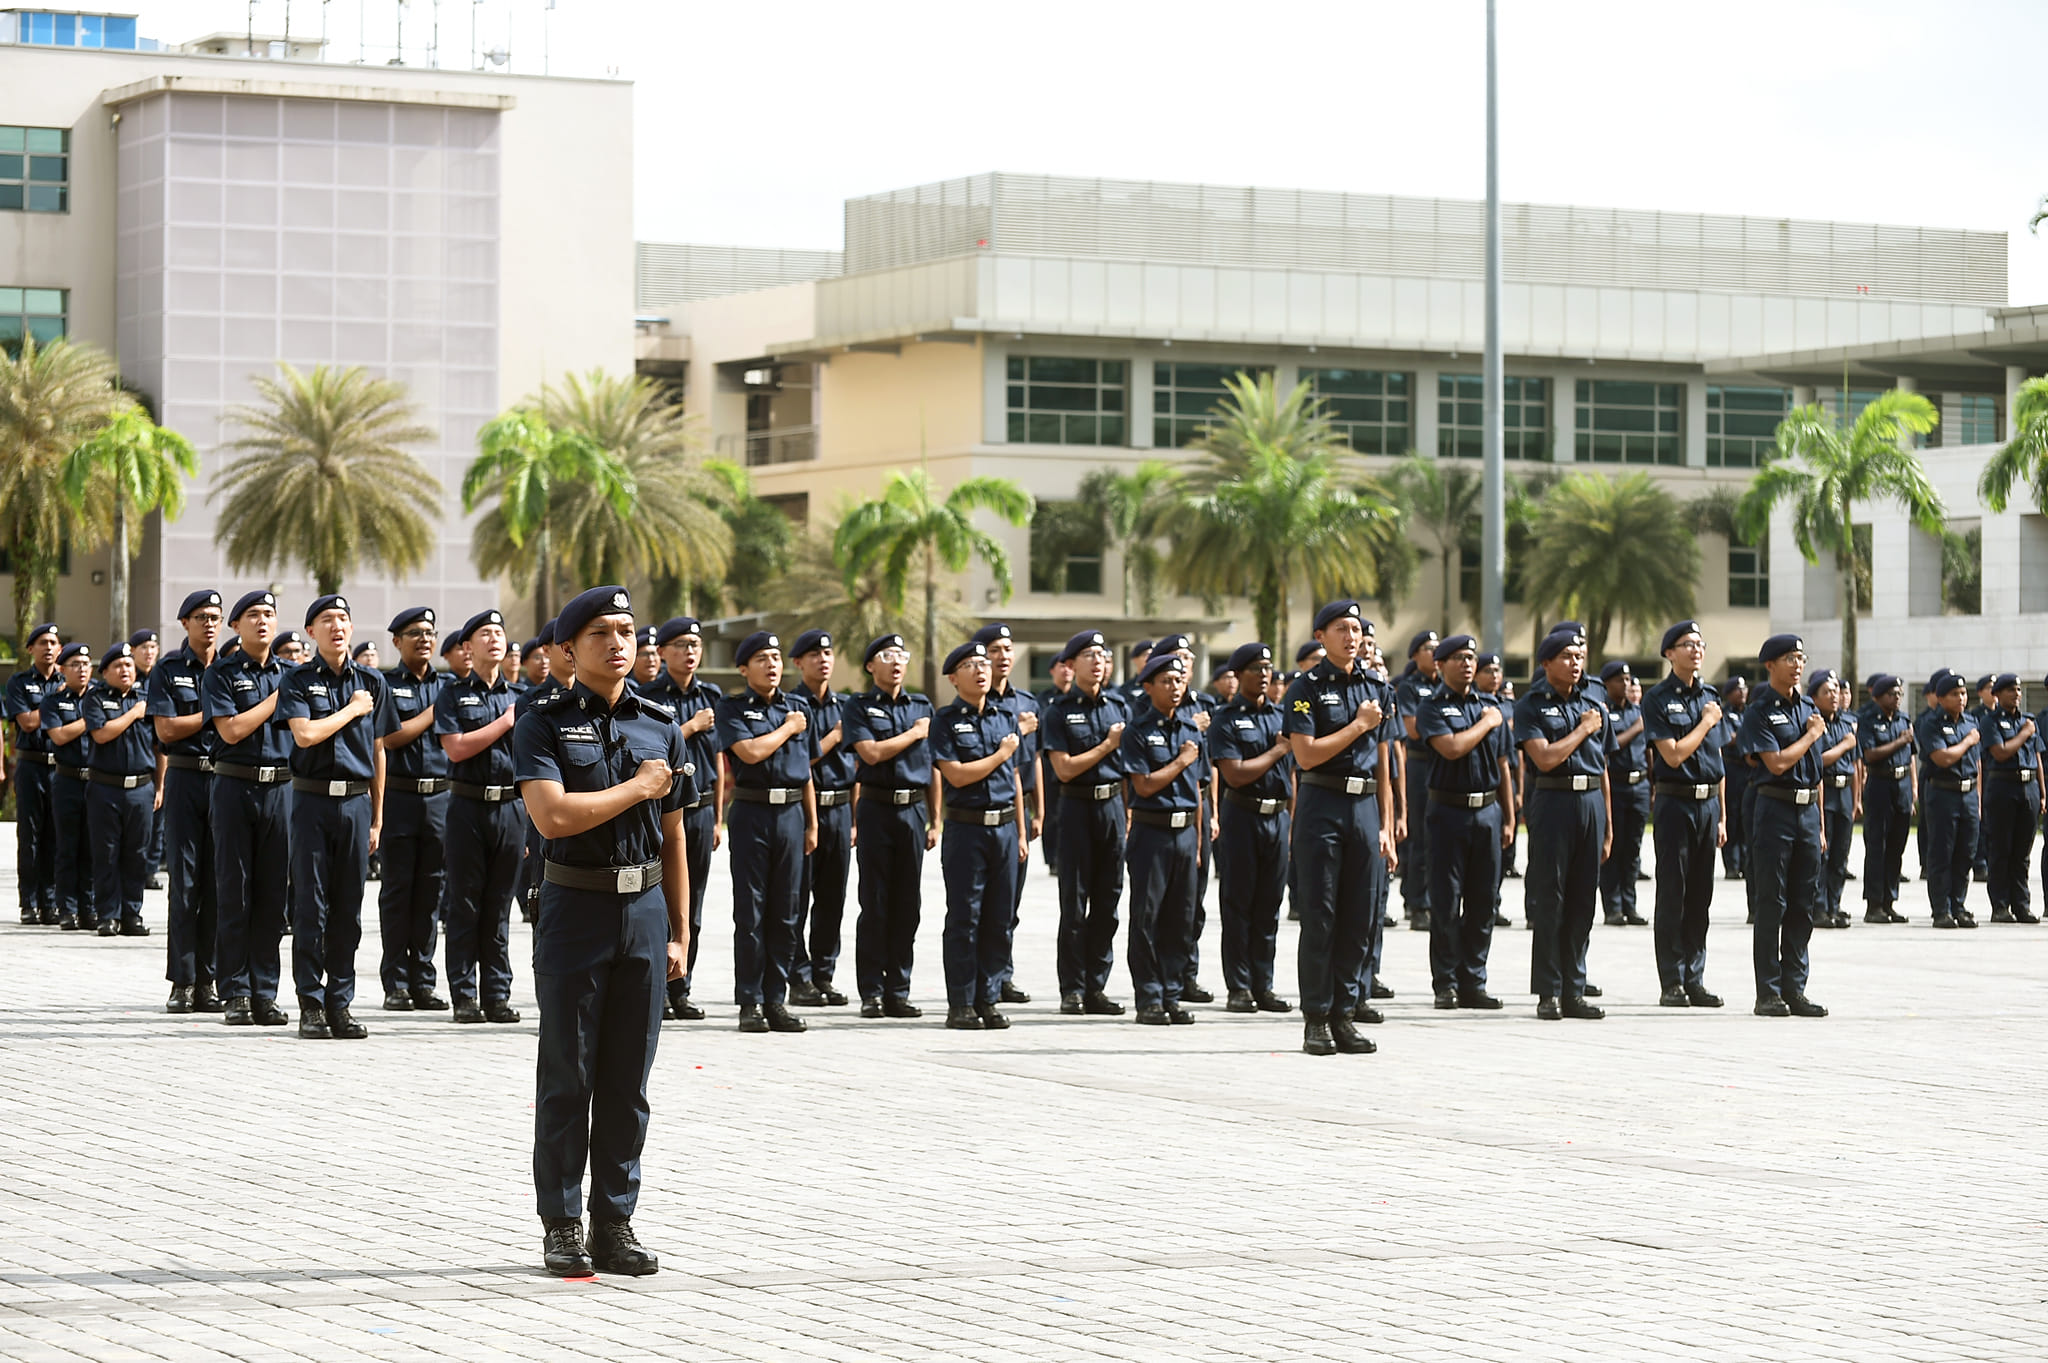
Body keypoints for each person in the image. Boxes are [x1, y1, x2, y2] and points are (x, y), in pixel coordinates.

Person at [516, 585, 694, 1279]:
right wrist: (638, 788)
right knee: (569, 1071)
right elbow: (552, 816)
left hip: (644, 912)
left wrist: (680, 931)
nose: (618, 643)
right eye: (600, 632)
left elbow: (674, 835)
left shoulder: (661, 725)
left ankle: (614, 1220)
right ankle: (562, 1222)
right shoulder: (542, 722)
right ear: (567, 649)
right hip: (575, 907)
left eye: (626, 630)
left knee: (628, 1078)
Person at [1281, 601, 1394, 1057]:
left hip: (1364, 806)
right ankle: (1316, 1018)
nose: (1351, 637)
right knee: (1321, 916)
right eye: (1342, 629)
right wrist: (1358, 725)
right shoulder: (1305, 688)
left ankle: (1345, 1015)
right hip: (1322, 803)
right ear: (1321, 636)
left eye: (1357, 629)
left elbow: (1384, 761)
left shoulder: (1377, 688)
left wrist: (1386, 824)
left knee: (1358, 917)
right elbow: (1306, 754)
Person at [276, 595, 386, 1041]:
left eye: (343, 618)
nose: (337, 626)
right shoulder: (297, 680)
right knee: (310, 906)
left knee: (348, 909)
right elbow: (305, 735)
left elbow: (378, 750)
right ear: (311, 632)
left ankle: (340, 1003)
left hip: (356, 804)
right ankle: (310, 1003)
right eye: (327, 620)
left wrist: (378, 817)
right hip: (312, 801)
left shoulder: (372, 681)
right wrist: (352, 710)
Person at [715, 631, 817, 1032]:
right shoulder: (732, 708)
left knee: (787, 912)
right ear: (744, 669)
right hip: (752, 813)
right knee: (751, 912)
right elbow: (750, 752)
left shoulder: (797, 707)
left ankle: (776, 1000)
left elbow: (805, 772)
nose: (771, 664)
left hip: (791, 813)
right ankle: (750, 1002)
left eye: (775, 657)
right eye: (761, 659)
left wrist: (812, 823)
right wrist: (789, 729)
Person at [203, 591, 294, 1027]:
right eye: (253, 614)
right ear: (236, 626)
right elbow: (233, 730)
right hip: (235, 787)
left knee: (273, 896)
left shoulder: (294, 674)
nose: (263, 621)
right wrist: (278, 699)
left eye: (269, 614)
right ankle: (235, 991)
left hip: (282, 790)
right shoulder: (220, 674)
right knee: (235, 892)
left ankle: (265, 992)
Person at [1514, 628, 1610, 1022]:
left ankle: (1574, 989)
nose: (1575, 663)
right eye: (1567, 656)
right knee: (1551, 899)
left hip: (1591, 802)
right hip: (1553, 800)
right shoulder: (1531, 705)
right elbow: (1545, 758)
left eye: (1579, 656)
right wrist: (1583, 729)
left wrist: (1608, 823)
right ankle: (1548, 991)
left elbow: (1603, 766)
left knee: (1583, 900)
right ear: (1546, 662)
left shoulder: (1594, 701)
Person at [436, 608, 525, 1024]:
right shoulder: (452, 694)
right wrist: (504, 723)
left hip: (510, 807)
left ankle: (497, 994)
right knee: (465, 903)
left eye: (498, 633)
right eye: (485, 634)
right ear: (468, 647)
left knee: (500, 905)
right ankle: (465, 996)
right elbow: (456, 749)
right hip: (467, 806)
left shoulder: (522, 697)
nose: (494, 640)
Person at [1417, 633, 1515, 1010]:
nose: (1467, 664)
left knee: (1483, 900)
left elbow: (1503, 766)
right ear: (1441, 665)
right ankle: (1446, 983)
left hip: (1487, 811)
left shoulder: (1490, 705)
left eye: (1471, 657)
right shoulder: (1432, 707)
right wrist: (1487, 724)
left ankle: (1474, 980)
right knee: (1446, 901)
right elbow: (1452, 748)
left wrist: (1509, 817)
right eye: (1458, 658)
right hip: (1448, 812)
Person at [931, 640, 1025, 1029]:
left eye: (984, 664)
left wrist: (1021, 832)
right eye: (971, 665)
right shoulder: (945, 721)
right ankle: (961, 1003)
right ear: (954, 678)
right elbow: (955, 775)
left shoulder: (1006, 718)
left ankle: (988, 998)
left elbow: (1015, 779)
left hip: (1004, 828)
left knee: (999, 918)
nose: (981, 670)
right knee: (965, 917)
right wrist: (1000, 754)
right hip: (966, 828)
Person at [844, 633, 937, 1019]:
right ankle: (872, 991)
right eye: (887, 655)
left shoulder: (922, 705)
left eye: (901, 655)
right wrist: (914, 733)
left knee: (907, 904)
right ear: (870, 666)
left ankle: (899, 989)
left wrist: (935, 819)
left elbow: (933, 766)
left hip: (913, 810)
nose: (897, 661)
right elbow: (870, 753)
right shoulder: (859, 706)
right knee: (875, 902)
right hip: (877, 809)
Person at [1738, 634, 1830, 1017]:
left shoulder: (1808, 707)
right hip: (1774, 809)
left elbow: (1816, 772)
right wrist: (1811, 734)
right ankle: (1768, 992)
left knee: (1802, 904)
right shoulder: (1759, 711)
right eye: (1789, 658)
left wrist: (1820, 825)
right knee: (1771, 903)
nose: (1797, 665)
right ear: (1770, 665)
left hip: (1807, 812)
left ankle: (1795, 988)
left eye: (1801, 658)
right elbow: (1775, 764)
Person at [1641, 620, 1729, 1008]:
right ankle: (1672, 981)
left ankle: (1695, 978)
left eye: (1700, 644)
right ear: (1669, 653)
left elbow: (1717, 760)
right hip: (1675, 804)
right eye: (1687, 644)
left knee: (1700, 896)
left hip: (1708, 804)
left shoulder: (1710, 695)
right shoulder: (1657, 699)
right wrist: (1706, 721)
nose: (1696, 650)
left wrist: (1723, 816)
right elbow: (1674, 755)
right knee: (1673, 893)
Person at [640, 616, 722, 1020]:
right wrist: (689, 727)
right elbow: (655, 748)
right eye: (681, 645)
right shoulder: (647, 697)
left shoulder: (712, 695)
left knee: (693, 905)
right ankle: (655, 989)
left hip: (701, 809)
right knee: (659, 900)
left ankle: (681, 990)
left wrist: (719, 816)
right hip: (663, 812)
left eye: (695, 645)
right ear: (662, 653)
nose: (690, 652)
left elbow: (718, 759)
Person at [1043, 630, 1128, 1016]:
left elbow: (1128, 770)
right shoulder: (1058, 712)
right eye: (1088, 655)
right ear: (1070, 665)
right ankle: (1073, 988)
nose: (1097, 662)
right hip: (1076, 808)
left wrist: (1127, 812)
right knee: (1075, 904)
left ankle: (1097, 986)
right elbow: (1063, 769)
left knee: (1108, 903)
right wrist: (1107, 745)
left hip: (1112, 808)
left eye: (1102, 655)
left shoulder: (1119, 708)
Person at [1118, 653, 1205, 1026]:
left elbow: (1197, 790)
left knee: (1181, 918)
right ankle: (1149, 997)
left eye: (1179, 681)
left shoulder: (1191, 730)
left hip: (1185, 832)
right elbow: (1144, 785)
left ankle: (1171, 993)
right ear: (1148, 686)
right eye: (1166, 681)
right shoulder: (1137, 731)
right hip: (1151, 832)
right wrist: (1181, 761)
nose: (1175, 687)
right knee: (1147, 917)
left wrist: (1197, 842)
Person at [149, 591, 224, 1011]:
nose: (209, 624)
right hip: (185, 777)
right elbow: (166, 730)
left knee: (217, 884)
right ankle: (182, 980)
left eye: (215, 617)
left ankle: (208, 980)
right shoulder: (169, 669)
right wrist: (215, 713)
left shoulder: (231, 668)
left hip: (226, 781)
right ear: (184, 623)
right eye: (201, 617)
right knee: (185, 883)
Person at [1210, 642, 1293, 1014]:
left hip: (1278, 817)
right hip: (1242, 816)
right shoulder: (1226, 719)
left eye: (1268, 668)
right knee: (1239, 904)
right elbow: (1235, 774)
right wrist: (1277, 751)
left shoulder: (1281, 717)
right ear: (1239, 674)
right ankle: (1239, 986)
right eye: (1256, 669)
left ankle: (1264, 984)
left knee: (1269, 905)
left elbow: (1293, 774)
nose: (1264, 675)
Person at [377, 606, 451, 1012]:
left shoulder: (449, 685)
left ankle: (423, 980)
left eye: (429, 633)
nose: (424, 639)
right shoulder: (386, 685)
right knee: (397, 891)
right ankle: (396, 983)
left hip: (439, 798)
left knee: (430, 892)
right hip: (401, 797)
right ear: (397, 641)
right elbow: (390, 738)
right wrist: (433, 713)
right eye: (415, 633)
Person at [786, 628, 853, 1009]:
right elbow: (801, 759)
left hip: (841, 808)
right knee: (797, 898)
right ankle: (799, 977)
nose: (823, 660)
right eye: (814, 655)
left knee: (833, 898)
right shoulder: (793, 706)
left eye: (827, 654)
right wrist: (833, 737)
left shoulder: (845, 706)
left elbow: (855, 765)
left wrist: (854, 818)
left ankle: (824, 974)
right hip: (803, 810)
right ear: (799, 663)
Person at [977, 622, 1041, 1005]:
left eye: (1007, 648)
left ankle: (1003, 974)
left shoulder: (1027, 702)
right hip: (984, 809)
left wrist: (1038, 813)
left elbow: (1033, 763)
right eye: (994, 650)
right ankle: (981, 977)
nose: (1003, 656)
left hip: (1018, 808)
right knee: (980, 905)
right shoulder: (977, 702)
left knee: (1008, 903)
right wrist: (1016, 729)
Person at [83, 641, 155, 938]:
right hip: (105, 787)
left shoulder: (147, 698)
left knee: (137, 854)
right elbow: (101, 734)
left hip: (141, 787)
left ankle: (131, 914)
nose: (125, 670)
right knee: (106, 853)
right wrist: (133, 714)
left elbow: (159, 746)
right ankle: (107, 915)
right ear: (105, 672)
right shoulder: (95, 698)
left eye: (128, 665)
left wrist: (161, 786)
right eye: (118, 666)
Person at [6, 622, 63, 925]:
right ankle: (28, 902)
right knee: (30, 836)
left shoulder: (67, 681)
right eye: (43, 643)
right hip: (31, 765)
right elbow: (27, 722)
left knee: (55, 835)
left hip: (60, 768)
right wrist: (56, 702)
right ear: (31, 649)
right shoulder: (19, 682)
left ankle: (49, 903)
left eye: (53, 642)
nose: (49, 648)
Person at [1917, 671, 1982, 930]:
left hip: (1968, 794)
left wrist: (1978, 798)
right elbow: (1942, 758)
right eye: (1955, 694)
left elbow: (1977, 764)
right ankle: (1941, 909)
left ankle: (1958, 905)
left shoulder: (1970, 722)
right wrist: (1967, 741)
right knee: (1942, 853)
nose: (1961, 698)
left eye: (1964, 693)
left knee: (1965, 854)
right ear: (1941, 698)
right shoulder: (1930, 724)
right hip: (1943, 794)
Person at [42, 642, 99, 931]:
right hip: (67, 779)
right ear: (62, 670)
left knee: (92, 847)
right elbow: (59, 736)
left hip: (97, 781)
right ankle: (67, 908)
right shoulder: (53, 701)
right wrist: (92, 720)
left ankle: (89, 908)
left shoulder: (101, 696)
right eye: (75, 664)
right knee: (67, 847)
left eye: (86, 664)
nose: (82, 669)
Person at [1981, 673, 2042, 924]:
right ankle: (2000, 905)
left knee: (2022, 852)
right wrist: (2024, 734)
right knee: (2001, 849)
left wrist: (2042, 793)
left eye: (2018, 689)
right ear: (1997, 694)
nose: (2016, 694)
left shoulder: (2028, 720)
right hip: (2003, 787)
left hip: (2029, 787)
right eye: (2010, 690)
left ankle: (2021, 905)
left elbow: (2037, 757)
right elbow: (2001, 752)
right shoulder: (1990, 721)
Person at [1856, 674, 1916, 924]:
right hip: (1880, 783)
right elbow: (1869, 754)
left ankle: (1890, 902)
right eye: (1892, 694)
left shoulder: (1903, 719)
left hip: (1901, 785)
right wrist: (1900, 741)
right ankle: (1874, 904)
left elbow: (1911, 755)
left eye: (1900, 694)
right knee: (1877, 846)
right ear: (1878, 697)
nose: (1897, 698)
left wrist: (1913, 789)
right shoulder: (1868, 720)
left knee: (1896, 846)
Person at [1597, 660, 1650, 928]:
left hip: (1639, 785)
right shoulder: (1603, 711)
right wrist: (1635, 729)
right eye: (1620, 680)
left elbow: (1648, 750)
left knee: (1632, 849)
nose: (1626, 684)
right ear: (1607, 683)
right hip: (1615, 785)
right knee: (1613, 849)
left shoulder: (1637, 711)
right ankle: (1613, 907)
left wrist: (1653, 783)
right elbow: (1609, 747)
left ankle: (1630, 904)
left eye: (1628, 679)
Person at [1394, 629, 1440, 931]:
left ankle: (1433, 898)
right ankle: (1417, 902)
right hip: (1420, 764)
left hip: (1445, 763)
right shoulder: (1409, 687)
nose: (1434, 653)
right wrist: (1447, 731)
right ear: (1414, 655)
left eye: (1437, 647)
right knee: (1420, 836)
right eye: (1428, 648)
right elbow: (1412, 729)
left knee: (1440, 836)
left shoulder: (1447, 686)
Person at [1810, 671, 1860, 930]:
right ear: (1815, 697)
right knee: (1823, 853)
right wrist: (1843, 746)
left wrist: (1856, 799)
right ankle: (1818, 907)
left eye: (1836, 691)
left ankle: (1834, 904)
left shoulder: (1846, 723)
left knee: (1841, 854)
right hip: (1825, 790)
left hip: (1844, 792)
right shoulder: (1813, 723)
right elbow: (1817, 761)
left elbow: (1855, 766)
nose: (1834, 696)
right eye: (1827, 692)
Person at [128, 628, 165, 890]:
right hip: (134, 753)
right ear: (133, 652)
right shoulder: (126, 678)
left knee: (157, 818)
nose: (149, 652)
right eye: (143, 648)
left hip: (159, 752)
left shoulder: (162, 678)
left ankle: (151, 868)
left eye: (153, 647)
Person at [1719, 675, 1751, 878]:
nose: (1742, 692)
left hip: (1748, 769)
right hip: (1732, 768)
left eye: (1744, 688)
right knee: (1731, 816)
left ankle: (1746, 864)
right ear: (1729, 693)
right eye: (1738, 689)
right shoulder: (1724, 714)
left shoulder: (1750, 712)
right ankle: (1731, 864)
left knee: (1746, 816)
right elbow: (1727, 738)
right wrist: (1747, 736)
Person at [631, 626, 661, 691]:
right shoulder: (624, 687)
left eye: (654, 654)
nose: (651, 659)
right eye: (644, 654)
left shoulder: (669, 686)